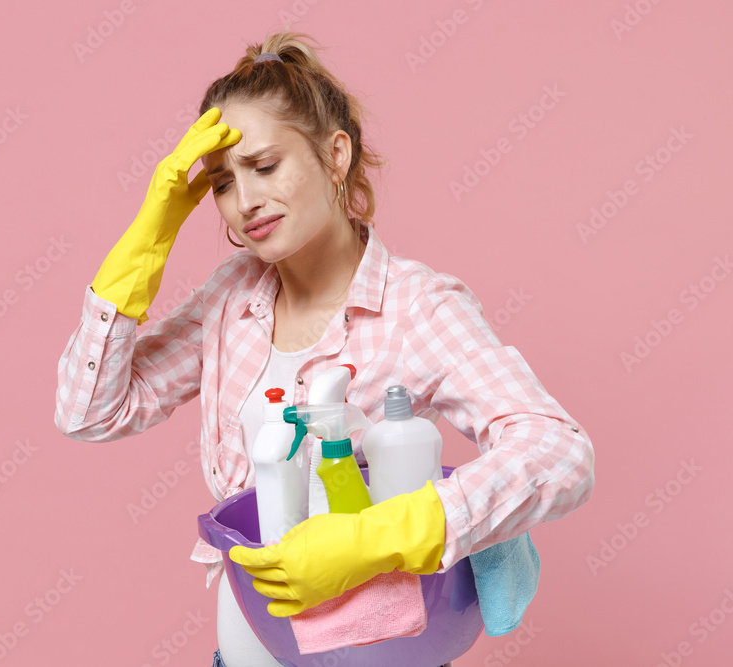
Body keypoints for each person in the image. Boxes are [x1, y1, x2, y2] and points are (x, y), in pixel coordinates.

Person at [55, 30, 595, 667]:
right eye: (222, 183)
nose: (245, 201)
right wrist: (148, 237)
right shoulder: (231, 299)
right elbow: (90, 413)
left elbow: (560, 454)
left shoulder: (417, 307)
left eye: (264, 166)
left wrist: (379, 538)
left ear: (335, 156)